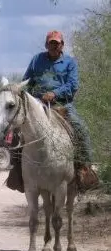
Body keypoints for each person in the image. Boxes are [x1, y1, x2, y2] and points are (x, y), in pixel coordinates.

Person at [6, 30, 99, 192]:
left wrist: (55, 93)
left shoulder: (70, 63)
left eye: (57, 43)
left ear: (62, 45)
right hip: (37, 104)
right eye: (51, 43)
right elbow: (27, 81)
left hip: (62, 105)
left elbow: (72, 85)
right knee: (16, 130)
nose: (54, 46)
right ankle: (17, 170)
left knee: (81, 128)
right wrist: (23, 91)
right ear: (46, 45)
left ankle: (85, 169)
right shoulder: (37, 60)